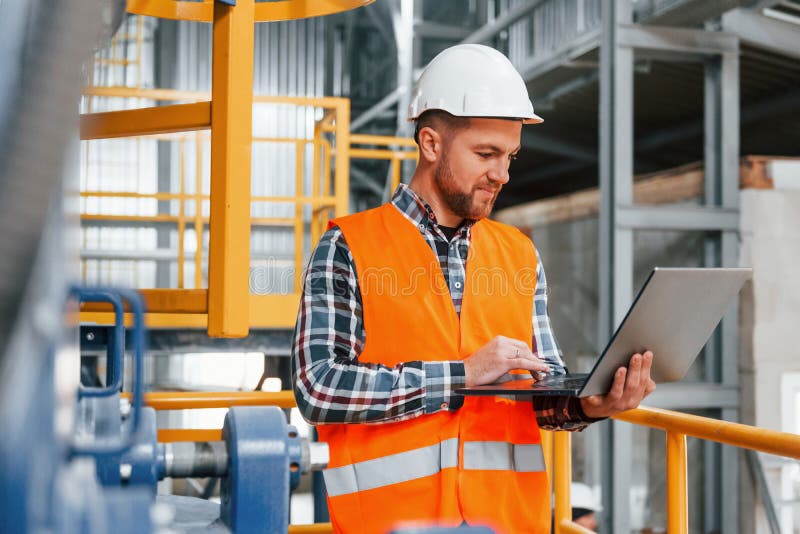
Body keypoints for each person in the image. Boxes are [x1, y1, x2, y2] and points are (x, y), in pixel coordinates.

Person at [292, 44, 656, 534]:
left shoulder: (519, 254)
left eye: (509, 156)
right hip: (390, 523)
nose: (501, 174)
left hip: (507, 522)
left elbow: (541, 389)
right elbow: (318, 386)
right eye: (485, 154)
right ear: (431, 144)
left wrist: (589, 404)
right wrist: (460, 375)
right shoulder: (348, 246)